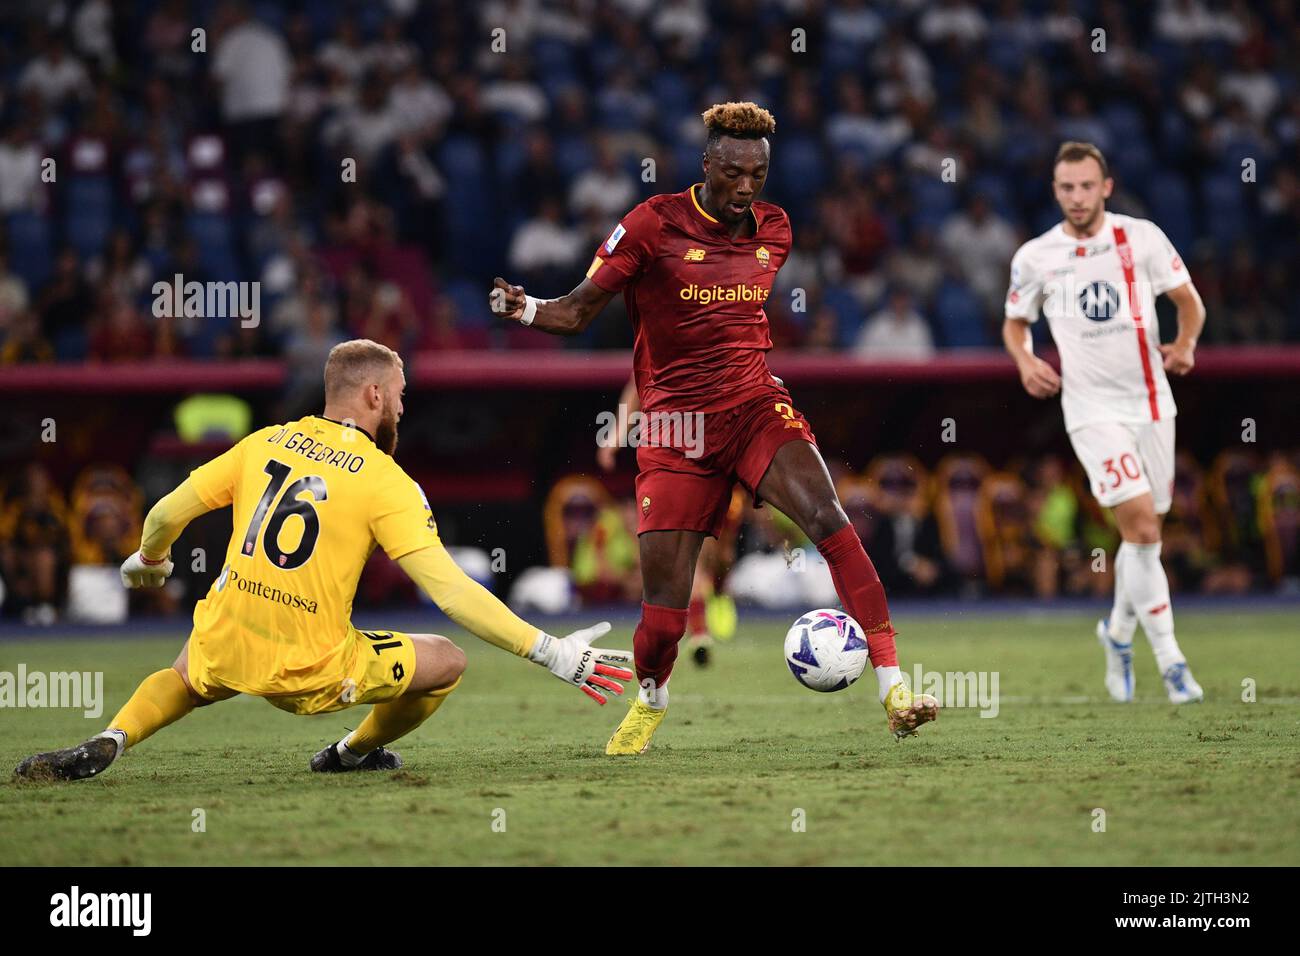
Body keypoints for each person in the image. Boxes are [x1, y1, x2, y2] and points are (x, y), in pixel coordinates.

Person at [491, 102, 938, 754]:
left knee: (829, 517)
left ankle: (895, 690)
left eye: (758, 174)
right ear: (706, 164)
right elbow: (577, 312)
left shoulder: (776, 230)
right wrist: (525, 308)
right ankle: (652, 697)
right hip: (676, 431)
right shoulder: (652, 224)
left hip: (755, 407)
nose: (745, 187)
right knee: (664, 615)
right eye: (732, 173)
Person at [16, 339, 631, 781]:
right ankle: (350, 754)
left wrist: (149, 560)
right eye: (399, 397)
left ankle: (113, 736)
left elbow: (165, 512)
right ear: (373, 393)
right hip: (313, 664)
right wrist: (552, 652)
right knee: (447, 660)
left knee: (183, 677)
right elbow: (450, 591)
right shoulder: (386, 481)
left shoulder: (264, 442)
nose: (401, 409)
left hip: (230, 636)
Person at [1002, 141, 1207, 704]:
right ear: (1055, 191)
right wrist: (1025, 361)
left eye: (1087, 186)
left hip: (1152, 403)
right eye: (1067, 187)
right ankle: (1172, 663)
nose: (1077, 197)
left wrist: (1186, 344)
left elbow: (1189, 303)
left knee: (1145, 538)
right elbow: (1015, 323)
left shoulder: (1142, 238)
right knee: (1141, 527)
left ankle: (1117, 635)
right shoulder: (1036, 256)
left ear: (1106, 187)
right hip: (1091, 412)